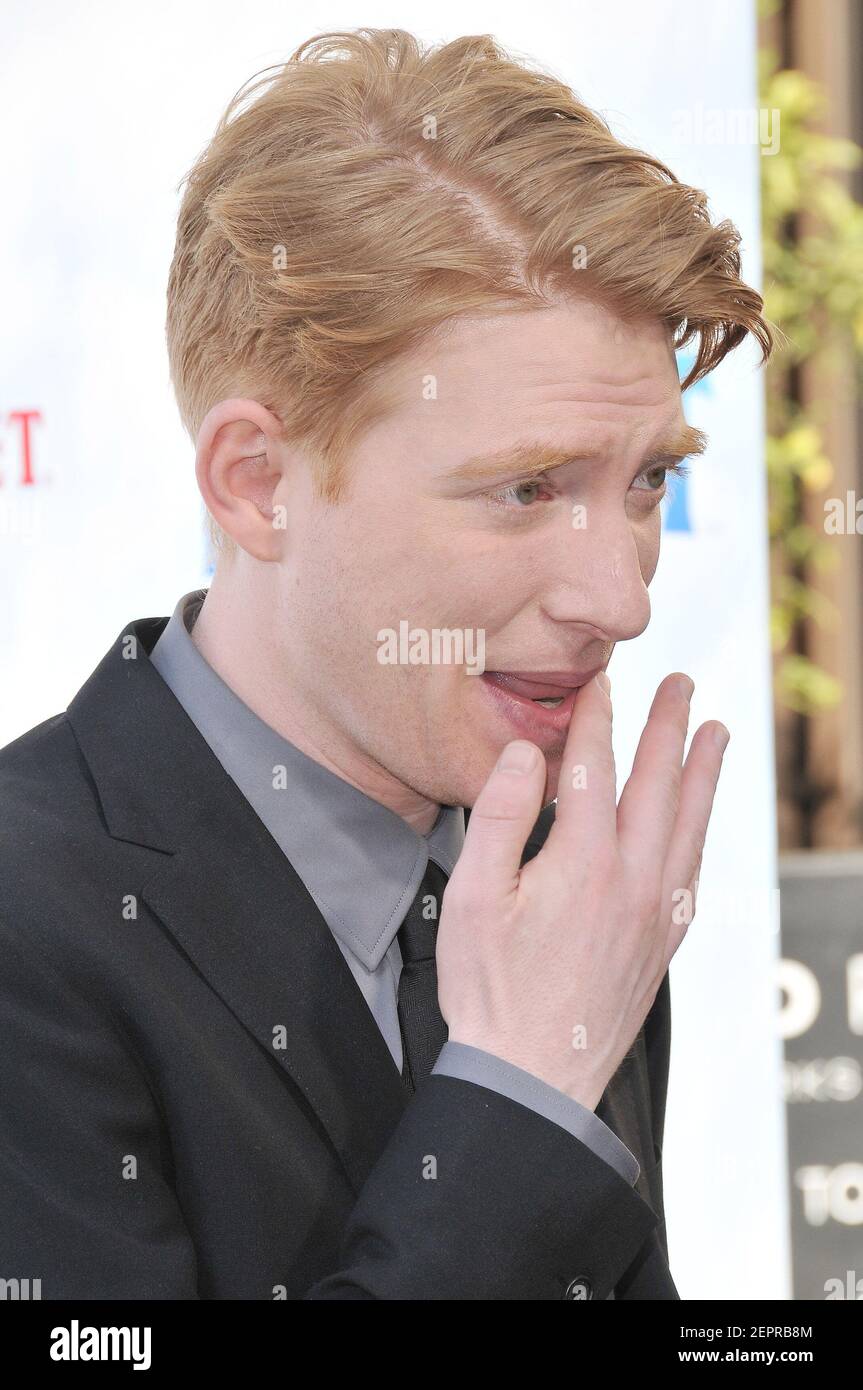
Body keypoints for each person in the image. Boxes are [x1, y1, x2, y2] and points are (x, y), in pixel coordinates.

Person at [0, 27, 772, 1300]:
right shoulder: (33, 931)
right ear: (258, 485)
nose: (621, 597)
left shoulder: (557, 889)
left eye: (647, 480)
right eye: (528, 488)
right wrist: (517, 1097)